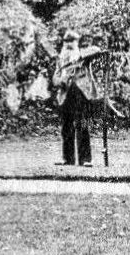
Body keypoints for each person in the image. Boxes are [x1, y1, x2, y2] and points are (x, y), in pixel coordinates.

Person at [52, 29, 106, 166]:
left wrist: (80, 55)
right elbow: (55, 78)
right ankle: (67, 159)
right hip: (65, 94)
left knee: (82, 125)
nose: (69, 44)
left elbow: (97, 49)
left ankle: (86, 160)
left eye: (72, 41)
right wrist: (60, 81)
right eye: (67, 41)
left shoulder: (83, 56)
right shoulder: (61, 58)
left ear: (77, 42)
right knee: (66, 127)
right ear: (64, 43)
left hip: (81, 93)